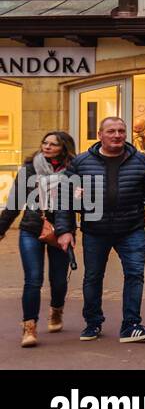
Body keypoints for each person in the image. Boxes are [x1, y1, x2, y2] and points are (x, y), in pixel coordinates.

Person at [65, 117, 145, 343]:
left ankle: (131, 325)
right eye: (111, 131)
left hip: (132, 229)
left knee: (135, 275)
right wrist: (66, 229)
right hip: (95, 230)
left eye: (121, 131)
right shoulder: (81, 162)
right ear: (100, 135)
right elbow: (66, 200)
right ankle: (93, 323)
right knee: (93, 277)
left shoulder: (140, 160)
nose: (117, 135)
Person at [1, 131, 77, 347]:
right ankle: (29, 326)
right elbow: (14, 203)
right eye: (45, 143)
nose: (47, 147)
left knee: (59, 280)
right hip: (31, 229)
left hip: (62, 231)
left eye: (53, 144)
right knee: (33, 279)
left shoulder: (73, 170)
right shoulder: (30, 169)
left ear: (64, 148)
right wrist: (1, 229)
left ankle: (56, 309)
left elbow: (85, 203)